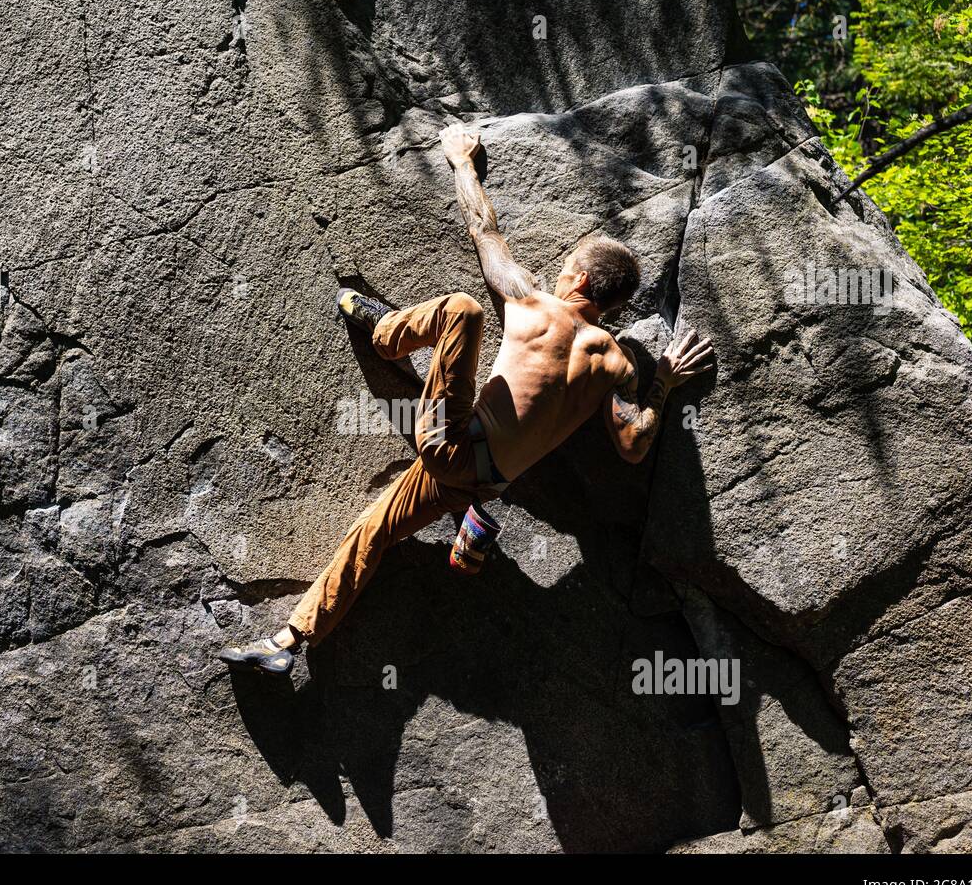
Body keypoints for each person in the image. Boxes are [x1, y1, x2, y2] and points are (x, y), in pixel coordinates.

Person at [218, 125, 713, 675]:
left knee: (463, 310)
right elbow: (633, 446)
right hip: (479, 482)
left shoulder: (534, 302)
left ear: (577, 276)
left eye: (567, 262)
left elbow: (485, 229)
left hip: (450, 447)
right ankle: (288, 640)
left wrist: (461, 162)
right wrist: (663, 380)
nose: (560, 268)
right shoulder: (617, 366)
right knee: (373, 530)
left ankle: (385, 334)